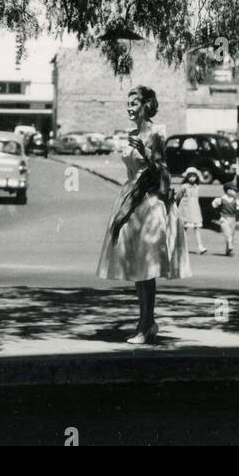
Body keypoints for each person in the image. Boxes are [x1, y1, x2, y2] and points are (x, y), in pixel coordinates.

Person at [96, 85, 190, 344]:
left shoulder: (156, 134)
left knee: (147, 267)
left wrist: (145, 152)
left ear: (146, 105)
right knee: (138, 266)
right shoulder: (131, 133)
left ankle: (146, 323)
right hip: (130, 200)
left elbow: (163, 172)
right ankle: (146, 322)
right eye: (128, 102)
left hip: (148, 201)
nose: (129, 107)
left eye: (134, 103)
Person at [177, 168, 208, 255]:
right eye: (190, 176)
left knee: (197, 228)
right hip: (186, 211)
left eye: (194, 176)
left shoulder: (197, 187)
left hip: (195, 210)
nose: (192, 178)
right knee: (184, 229)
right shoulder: (184, 187)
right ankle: (181, 246)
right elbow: (178, 197)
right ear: (187, 177)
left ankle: (200, 246)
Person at [213, 182, 239, 256]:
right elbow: (214, 204)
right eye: (233, 190)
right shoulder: (221, 199)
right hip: (224, 218)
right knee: (228, 234)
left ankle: (227, 250)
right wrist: (217, 211)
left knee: (231, 234)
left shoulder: (236, 200)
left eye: (235, 191)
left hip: (232, 219)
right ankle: (230, 248)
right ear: (228, 191)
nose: (235, 192)